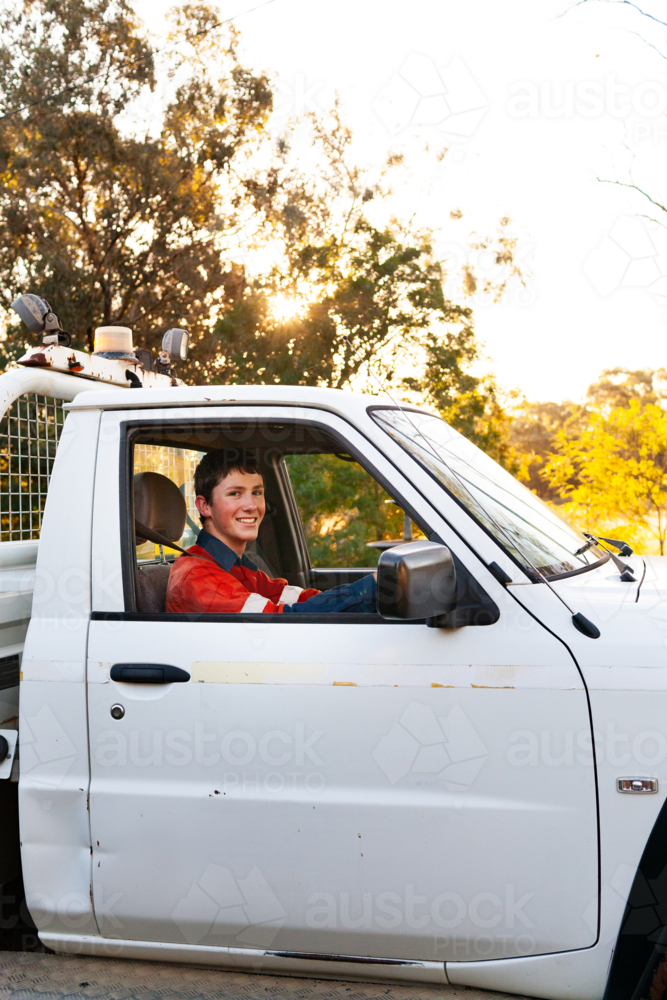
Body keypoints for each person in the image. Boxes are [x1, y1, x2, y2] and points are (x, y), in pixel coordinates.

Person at [166, 450, 377, 615]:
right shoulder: (198, 576)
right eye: (235, 494)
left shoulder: (238, 567)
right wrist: (372, 587)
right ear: (204, 507)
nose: (251, 505)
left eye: (257, 492)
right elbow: (284, 623)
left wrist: (371, 589)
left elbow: (303, 600)